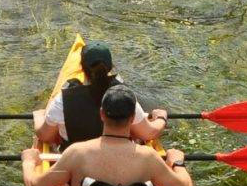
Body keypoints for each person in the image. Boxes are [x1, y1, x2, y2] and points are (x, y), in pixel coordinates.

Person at [23, 84, 194, 186]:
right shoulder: (149, 157)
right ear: (133, 117)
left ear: (102, 114)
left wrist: (29, 162)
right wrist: (177, 162)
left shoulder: (77, 153)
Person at [35, 42, 168, 148]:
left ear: (82, 68)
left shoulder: (63, 100)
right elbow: (148, 133)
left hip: (75, 165)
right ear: (110, 67)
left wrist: (39, 117)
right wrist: (161, 117)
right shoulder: (123, 96)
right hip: (117, 161)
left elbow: (45, 136)